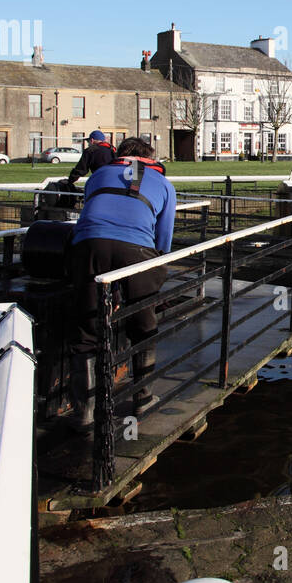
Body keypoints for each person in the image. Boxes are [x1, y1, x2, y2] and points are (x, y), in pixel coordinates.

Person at [68, 137, 177, 430]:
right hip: (138, 248)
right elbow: (163, 237)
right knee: (143, 322)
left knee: (86, 327)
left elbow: (91, 211)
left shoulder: (100, 174)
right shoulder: (163, 184)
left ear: (119, 156)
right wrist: (156, 264)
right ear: (149, 158)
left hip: (89, 246)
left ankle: (84, 412)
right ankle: (142, 397)